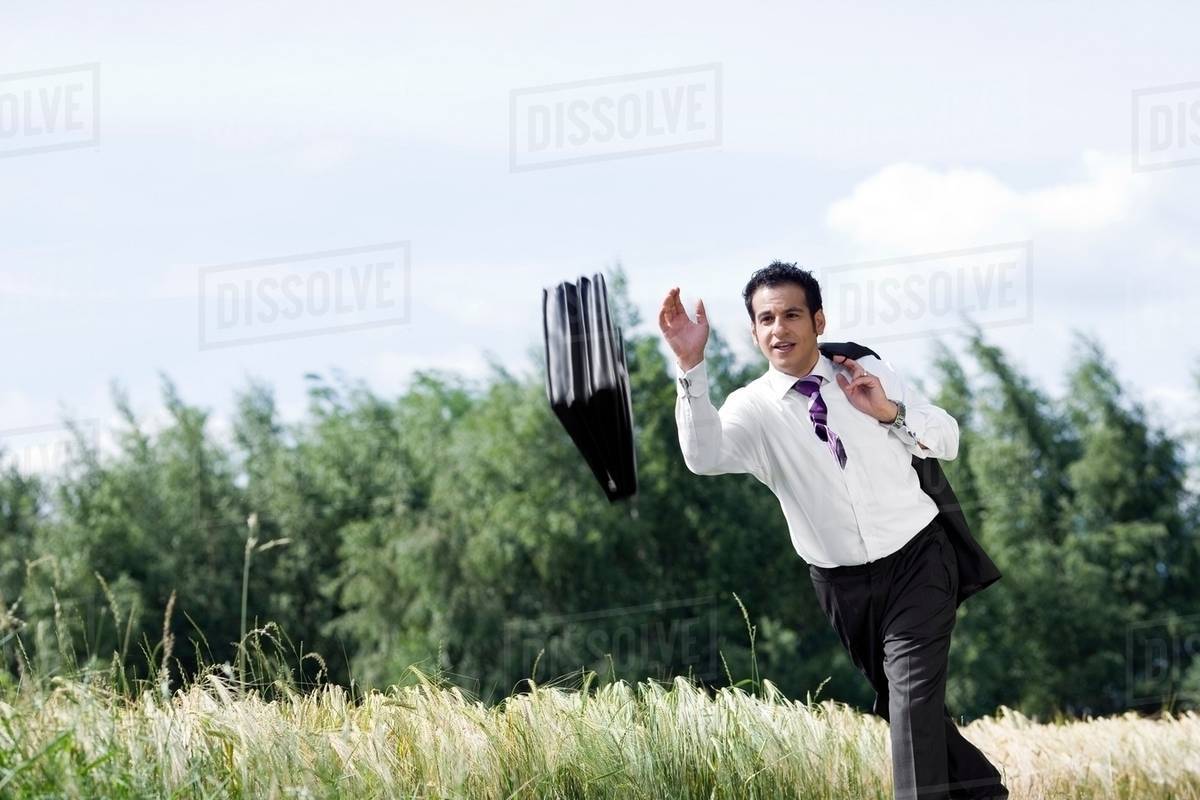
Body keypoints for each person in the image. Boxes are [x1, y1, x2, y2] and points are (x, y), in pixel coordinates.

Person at [658, 262, 1008, 800]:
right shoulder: (751, 409)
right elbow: (704, 457)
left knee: (911, 702)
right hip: (843, 586)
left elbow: (947, 436)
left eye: (792, 314)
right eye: (767, 319)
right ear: (754, 333)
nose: (780, 329)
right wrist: (690, 364)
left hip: (919, 558)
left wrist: (887, 410)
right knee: (908, 708)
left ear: (818, 320)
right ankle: (984, 792)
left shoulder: (862, 367)